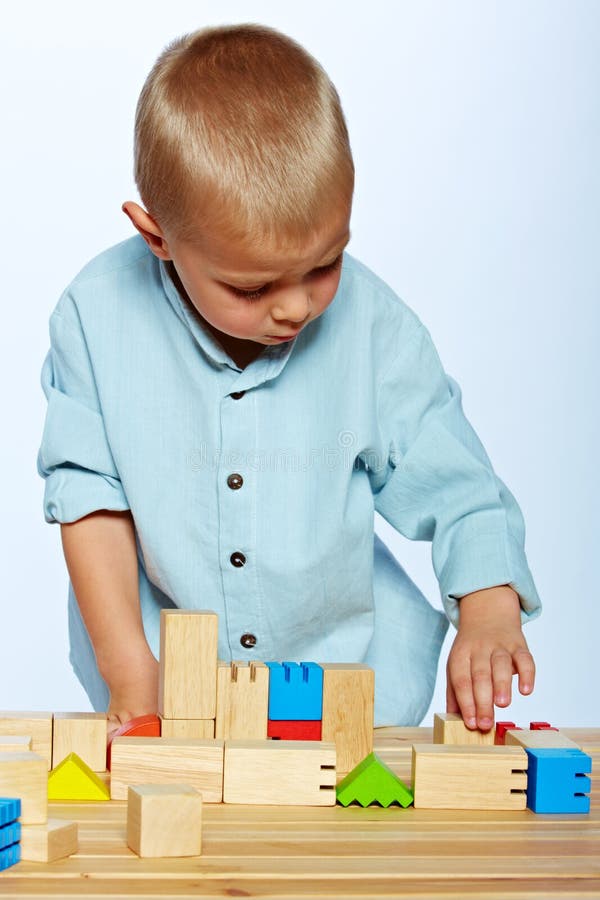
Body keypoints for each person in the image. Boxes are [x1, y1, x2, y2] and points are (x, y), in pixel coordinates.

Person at [37, 23, 541, 738]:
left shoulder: (373, 327)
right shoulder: (95, 317)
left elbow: (458, 486)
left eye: (325, 264)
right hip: (164, 681)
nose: (297, 307)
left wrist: (488, 608)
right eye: (252, 287)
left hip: (349, 682)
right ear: (158, 239)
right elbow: (91, 502)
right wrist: (129, 671)